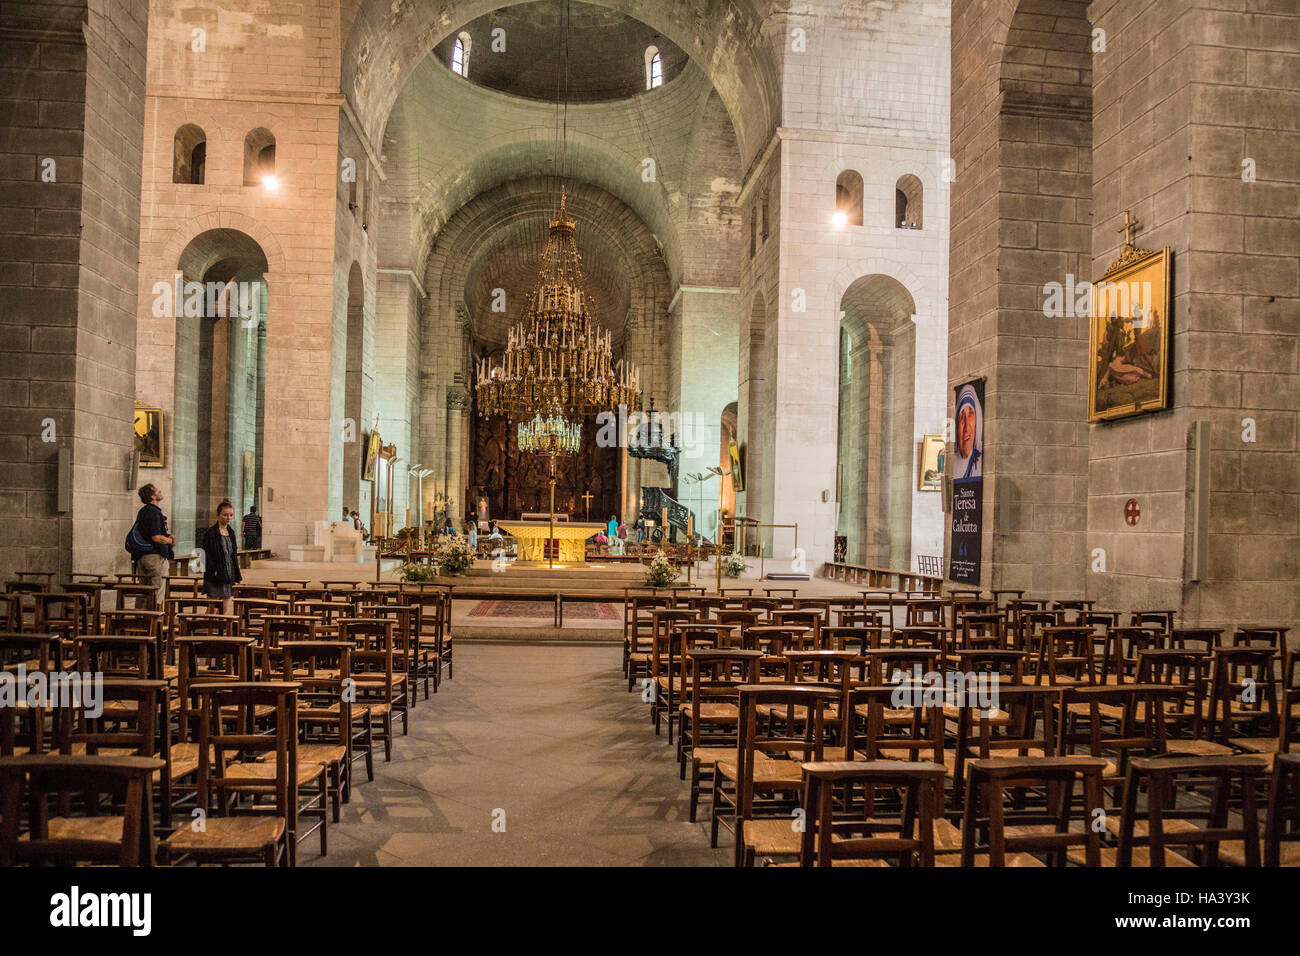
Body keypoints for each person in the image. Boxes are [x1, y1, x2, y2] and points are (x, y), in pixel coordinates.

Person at [126, 483, 175, 607]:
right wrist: (170, 540)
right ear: (153, 496)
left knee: (143, 591)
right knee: (157, 592)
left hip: (142, 557)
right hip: (154, 558)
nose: (160, 491)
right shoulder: (154, 512)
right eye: (157, 490)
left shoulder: (143, 511)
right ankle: (154, 623)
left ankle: (140, 620)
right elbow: (156, 537)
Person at [198, 499, 242, 614]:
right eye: (225, 515)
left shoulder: (231, 533)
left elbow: (233, 554)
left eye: (231, 515)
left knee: (225, 606)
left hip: (228, 572)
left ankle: (221, 629)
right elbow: (206, 554)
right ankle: (208, 628)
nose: (228, 518)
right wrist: (214, 570)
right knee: (212, 607)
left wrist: (236, 573)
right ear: (218, 515)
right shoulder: (210, 533)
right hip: (215, 572)